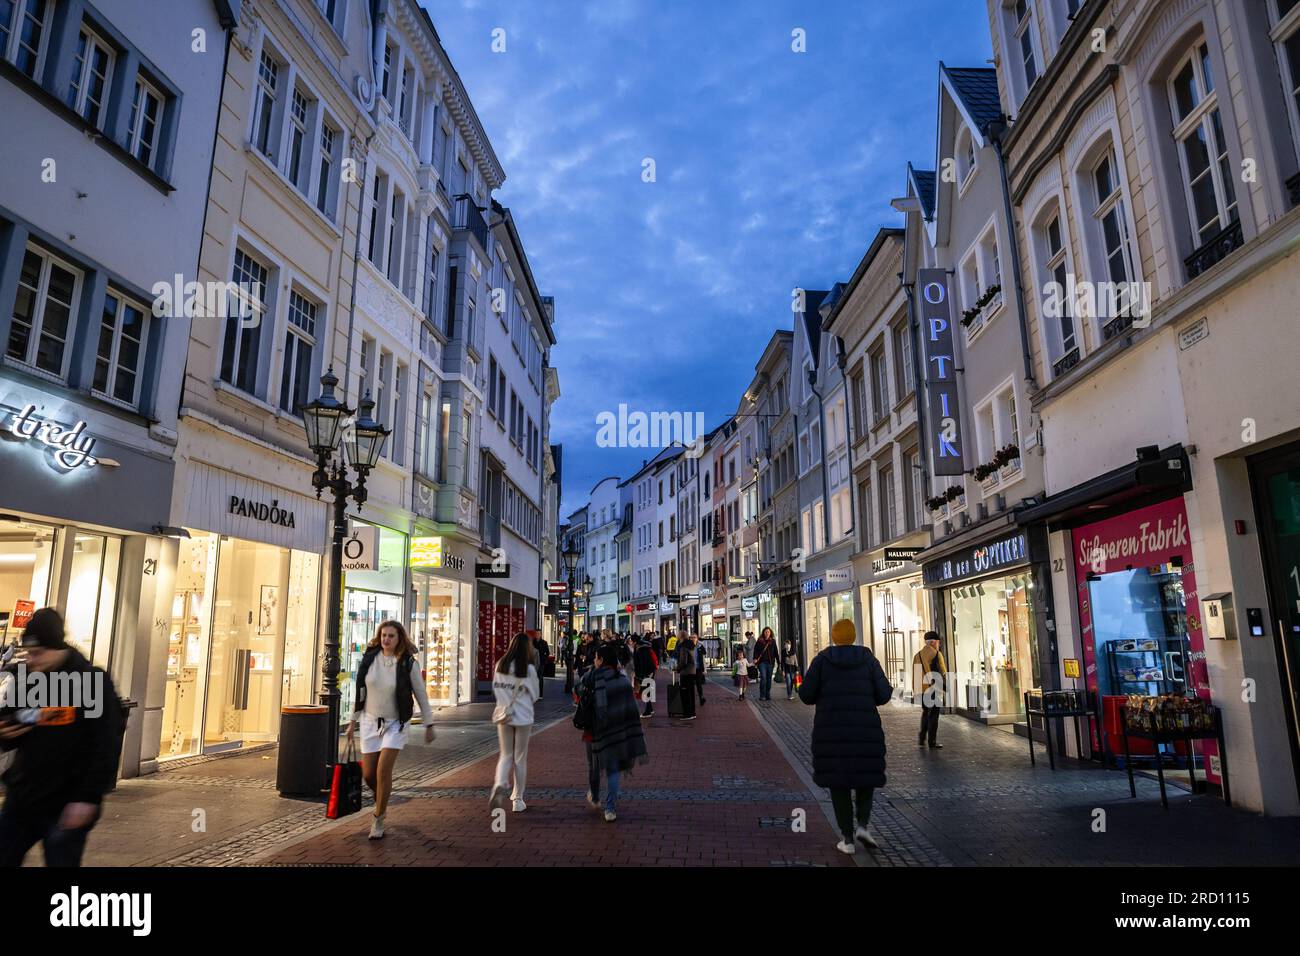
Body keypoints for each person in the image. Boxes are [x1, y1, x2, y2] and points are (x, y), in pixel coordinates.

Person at [0, 609, 124, 867]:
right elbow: (17, 721)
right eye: (28, 653)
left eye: (38, 652)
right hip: (23, 797)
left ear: (58, 647)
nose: (32, 660)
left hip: (66, 803)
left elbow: (107, 743)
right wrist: (6, 733)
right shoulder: (27, 680)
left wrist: (88, 797)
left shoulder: (91, 682)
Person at [798, 618, 893, 855]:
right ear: (853, 636)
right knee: (866, 777)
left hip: (832, 732)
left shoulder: (821, 661)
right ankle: (862, 825)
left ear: (834, 637)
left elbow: (807, 696)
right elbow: (883, 694)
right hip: (865, 730)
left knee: (838, 784)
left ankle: (847, 839)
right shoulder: (868, 660)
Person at [346, 620, 435, 840]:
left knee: (383, 770)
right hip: (369, 720)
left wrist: (428, 723)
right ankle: (383, 799)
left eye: (391, 636)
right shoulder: (370, 659)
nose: (386, 639)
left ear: (399, 638)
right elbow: (360, 691)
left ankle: (378, 818)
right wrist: (352, 721)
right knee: (369, 775)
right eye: (384, 635)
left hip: (396, 723)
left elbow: (420, 693)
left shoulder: (408, 663)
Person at [577, 642, 648, 821]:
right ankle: (610, 808)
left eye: (596, 658)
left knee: (593, 765)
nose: (594, 660)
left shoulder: (590, 677)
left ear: (600, 660)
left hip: (594, 730)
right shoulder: (623, 680)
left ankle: (594, 796)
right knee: (613, 769)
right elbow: (631, 709)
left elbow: (578, 696)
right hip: (618, 731)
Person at [491, 633, 540, 813]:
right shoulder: (528, 669)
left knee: (505, 754)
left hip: (504, 714)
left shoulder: (500, 666)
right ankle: (517, 799)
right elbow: (535, 695)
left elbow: (495, 689)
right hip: (523, 716)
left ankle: (500, 783)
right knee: (520, 758)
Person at [912, 631, 948, 749]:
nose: (939, 644)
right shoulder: (937, 654)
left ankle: (922, 738)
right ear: (933, 642)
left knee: (926, 713)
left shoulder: (917, 655)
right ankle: (932, 742)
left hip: (921, 690)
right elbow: (943, 672)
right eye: (937, 642)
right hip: (933, 689)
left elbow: (916, 675)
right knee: (933, 716)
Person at [673, 630, 697, 720]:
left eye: (678, 635)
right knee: (691, 693)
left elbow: (683, 661)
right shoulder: (691, 645)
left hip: (686, 672)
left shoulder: (683, 647)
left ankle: (687, 714)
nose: (677, 637)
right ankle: (692, 712)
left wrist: (677, 669)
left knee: (685, 693)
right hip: (692, 671)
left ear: (681, 636)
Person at [633, 637, 659, 718]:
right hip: (650, 672)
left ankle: (647, 711)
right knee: (648, 691)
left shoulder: (640, 650)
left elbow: (642, 663)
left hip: (646, 673)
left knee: (646, 692)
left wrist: (642, 675)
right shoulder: (646, 649)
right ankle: (650, 709)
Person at [753, 627, 779, 701]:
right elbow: (755, 651)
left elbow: (776, 652)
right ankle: (762, 695)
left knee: (769, 679)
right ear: (763, 633)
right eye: (765, 632)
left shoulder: (773, 641)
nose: (767, 633)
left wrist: (778, 662)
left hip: (770, 663)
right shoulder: (759, 641)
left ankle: (768, 694)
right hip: (762, 663)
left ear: (770, 633)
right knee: (763, 678)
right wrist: (755, 658)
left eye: (768, 632)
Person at [781, 636, 801, 701]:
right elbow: (782, 662)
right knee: (788, 682)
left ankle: (791, 693)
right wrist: (782, 670)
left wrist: (797, 670)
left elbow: (796, 661)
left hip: (792, 670)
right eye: (786, 644)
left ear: (790, 645)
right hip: (787, 669)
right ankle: (789, 695)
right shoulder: (783, 652)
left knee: (792, 682)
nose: (787, 645)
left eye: (788, 644)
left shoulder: (793, 651)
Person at [532, 633, 550, 700]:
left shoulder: (544, 642)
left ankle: (540, 694)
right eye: (536, 633)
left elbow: (547, 652)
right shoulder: (532, 642)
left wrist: (544, 659)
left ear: (541, 635)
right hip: (533, 662)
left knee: (540, 677)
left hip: (541, 662)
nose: (537, 635)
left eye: (538, 634)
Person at [693, 634, 707, 705]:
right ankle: (692, 699)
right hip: (691, 668)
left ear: (697, 638)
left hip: (698, 668)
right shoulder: (689, 646)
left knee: (698, 683)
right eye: (692, 637)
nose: (693, 639)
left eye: (694, 637)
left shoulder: (700, 645)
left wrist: (700, 647)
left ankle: (701, 697)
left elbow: (705, 652)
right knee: (691, 684)